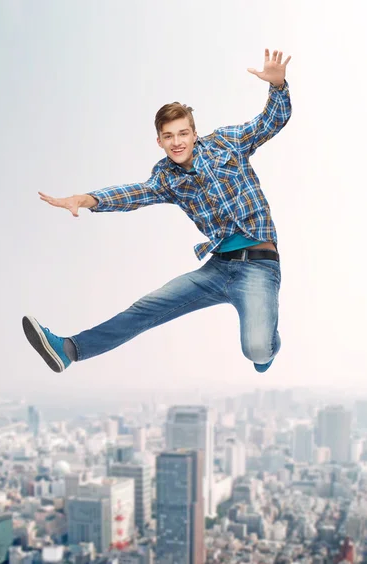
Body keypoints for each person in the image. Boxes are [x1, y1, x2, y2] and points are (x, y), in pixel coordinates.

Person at [23, 48, 292, 374]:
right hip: (217, 268)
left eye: (182, 134)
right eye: (168, 137)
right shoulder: (167, 177)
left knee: (257, 350)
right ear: (160, 142)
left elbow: (269, 123)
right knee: (145, 308)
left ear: (194, 134)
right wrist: (87, 199)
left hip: (259, 267)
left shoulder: (226, 143)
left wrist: (277, 86)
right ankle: (68, 349)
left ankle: (267, 344)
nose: (177, 142)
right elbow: (135, 194)